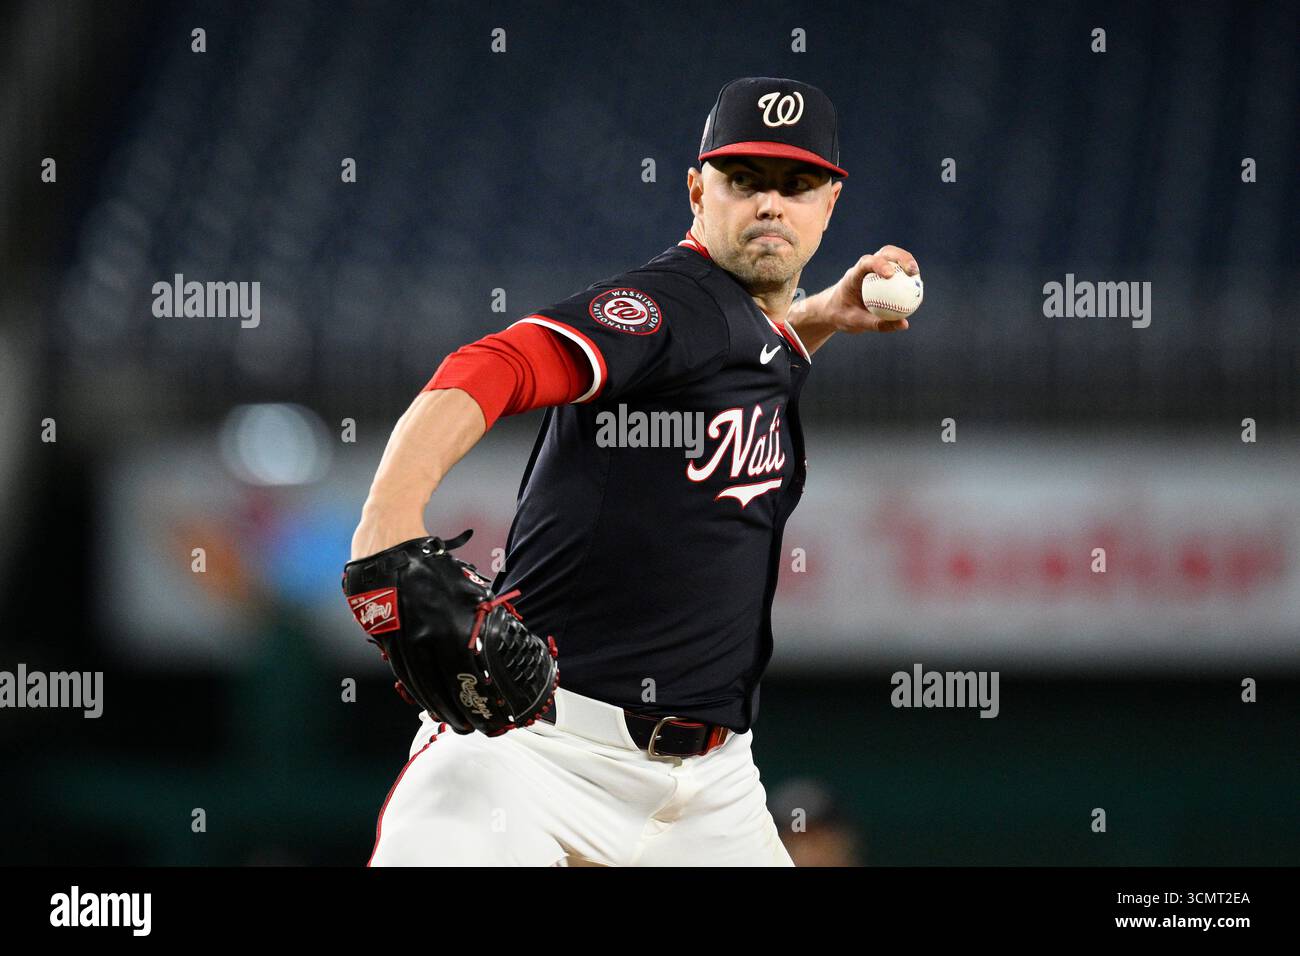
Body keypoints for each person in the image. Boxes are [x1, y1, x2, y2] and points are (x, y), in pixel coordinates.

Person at [351, 76, 919, 866]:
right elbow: (491, 365)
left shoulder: (750, 329)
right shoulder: (665, 306)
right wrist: (387, 521)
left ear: (830, 204)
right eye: (744, 180)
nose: (769, 205)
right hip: (535, 755)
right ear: (696, 191)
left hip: (714, 793)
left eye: (797, 185)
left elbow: (741, 358)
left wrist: (821, 313)